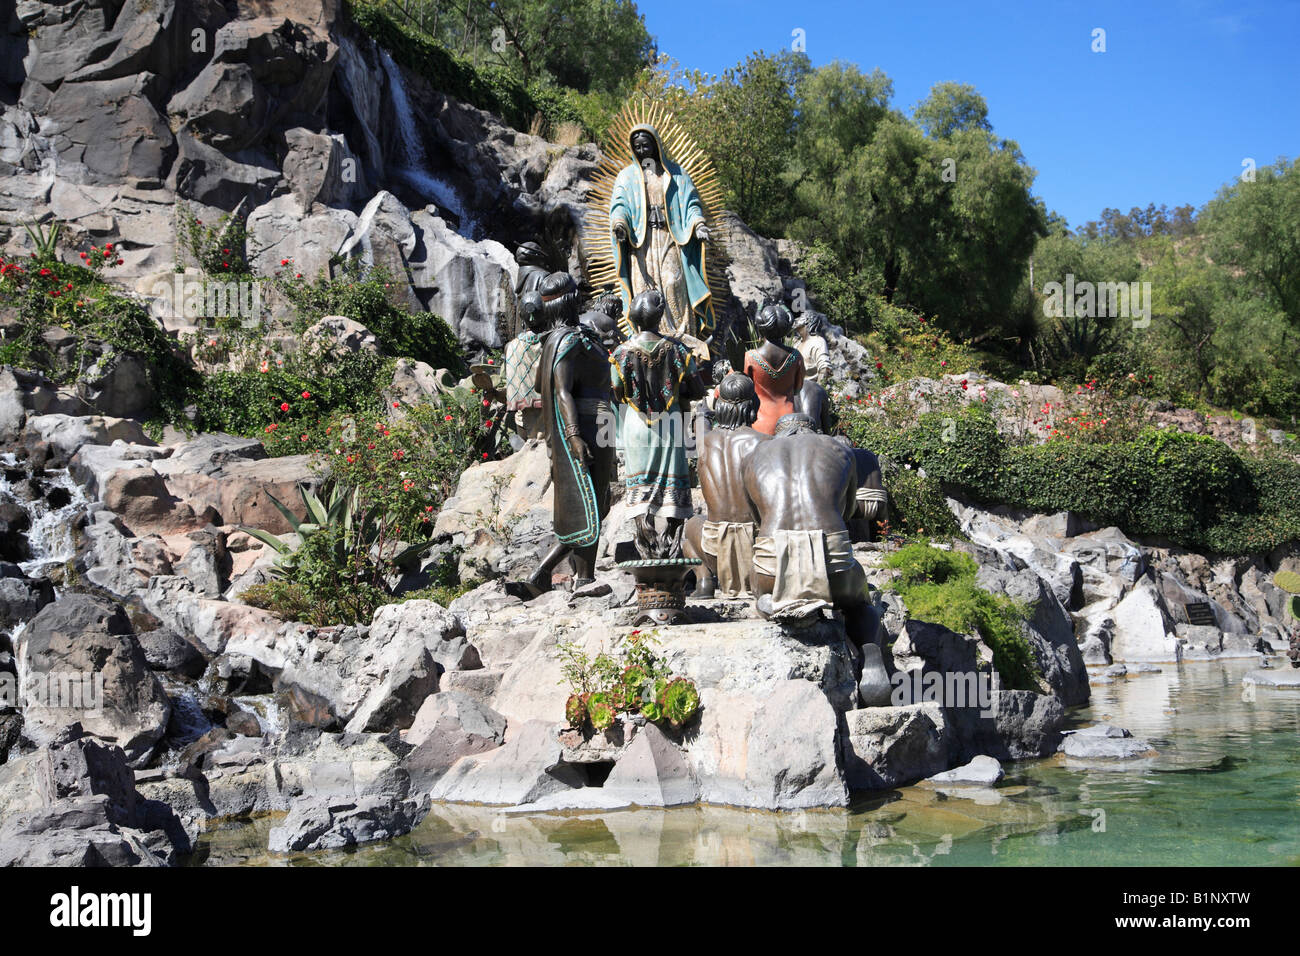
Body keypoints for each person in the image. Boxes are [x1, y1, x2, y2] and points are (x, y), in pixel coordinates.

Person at [517, 272, 616, 594]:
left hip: (597, 422)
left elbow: (537, 383)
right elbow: (561, 391)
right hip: (589, 423)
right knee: (593, 500)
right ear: (570, 300)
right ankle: (583, 578)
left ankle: (544, 573)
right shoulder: (568, 339)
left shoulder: (562, 338)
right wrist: (574, 435)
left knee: (594, 503)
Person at [742, 413, 876, 648]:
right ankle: (871, 656)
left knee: (758, 582)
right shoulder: (839, 448)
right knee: (860, 602)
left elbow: (756, 518)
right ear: (813, 431)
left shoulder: (753, 456)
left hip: (772, 565)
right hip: (833, 563)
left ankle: (772, 600)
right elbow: (849, 510)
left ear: (779, 433)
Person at [610, 289, 707, 557]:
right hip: (670, 423)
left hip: (636, 426)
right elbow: (698, 389)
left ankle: (646, 543)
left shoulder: (620, 353)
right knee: (672, 484)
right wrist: (678, 393)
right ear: (660, 315)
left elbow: (616, 391)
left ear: (634, 319)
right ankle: (671, 544)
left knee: (640, 485)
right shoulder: (677, 350)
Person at [608, 125, 714, 341]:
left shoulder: (676, 174)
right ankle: (645, 339)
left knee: (673, 284)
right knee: (643, 290)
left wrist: (698, 224)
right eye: (637, 147)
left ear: (656, 145)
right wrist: (620, 223)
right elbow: (619, 205)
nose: (642, 151)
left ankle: (680, 339)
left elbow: (691, 204)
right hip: (642, 243)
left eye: (646, 145)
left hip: (669, 238)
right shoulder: (626, 177)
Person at [683, 373, 771, 598]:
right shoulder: (766, 443)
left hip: (715, 547)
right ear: (753, 405)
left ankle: (704, 582)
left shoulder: (705, 443)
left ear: (720, 406)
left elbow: (702, 426)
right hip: (757, 545)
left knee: (692, 525)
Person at [744, 303, 804, 435]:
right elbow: (798, 389)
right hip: (790, 424)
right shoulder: (796, 357)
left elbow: (743, 392)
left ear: (760, 328)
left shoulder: (750, 357)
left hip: (760, 425)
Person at [502, 290, 546, 440]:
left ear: (521, 317)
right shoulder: (553, 341)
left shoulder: (511, 347)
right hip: (553, 413)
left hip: (525, 418)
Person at [793, 309, 831, 384]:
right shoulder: (797, 344)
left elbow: (824, 368)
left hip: (809, 388)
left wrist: (819, 389)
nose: (797, 319)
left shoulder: (818, 341)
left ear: (808, 321)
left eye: (801, 317)